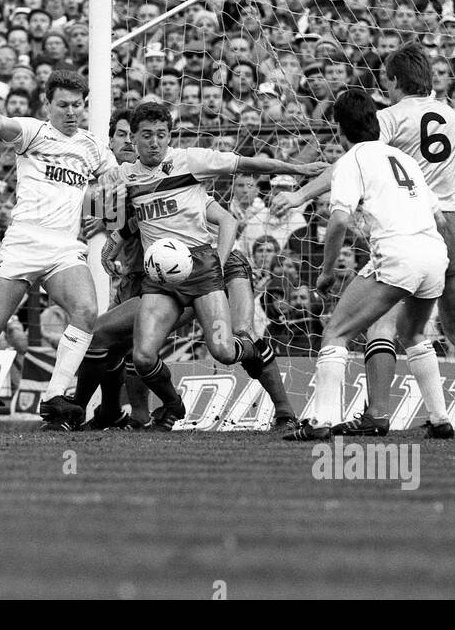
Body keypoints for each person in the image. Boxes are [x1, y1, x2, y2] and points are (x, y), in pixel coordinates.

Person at [276, 46, 455, 436]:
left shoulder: (389, 117)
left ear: (394, 80)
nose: (384, 87)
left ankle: (377, 414)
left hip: (408, 226)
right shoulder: (451, 116)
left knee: (380, 323)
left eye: (385, 79)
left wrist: (299, 195)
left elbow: (353, 160)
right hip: (453, 221)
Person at [104, 102, 323, 431]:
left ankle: (280, 403)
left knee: (225, 347)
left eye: (161, 135)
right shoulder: (126, 177)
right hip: (163, 278)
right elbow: (124, 219)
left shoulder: (190, 161)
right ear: (133, 139)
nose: (154, 142)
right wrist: (109, 241)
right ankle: (171, 406)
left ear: (169, 136)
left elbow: (246, 164)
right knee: (142, 354)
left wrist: (297, 170)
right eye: (146, 135)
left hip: (211, 266)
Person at [0, 67, 116, 433]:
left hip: (64, 247)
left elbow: (116, 184)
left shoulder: (93, 146)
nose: (70, 112)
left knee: (86, 311)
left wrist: (110, 222)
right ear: (46, 104)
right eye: (62, 105)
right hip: (23, 243)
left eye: (77, 105)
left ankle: (53, 397)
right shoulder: (34, 132)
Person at [284, 88, 452, 442]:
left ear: (340, 131)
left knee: (335, 332)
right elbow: (440, 219)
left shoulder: (351, 160)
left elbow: (339, 222)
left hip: (398, 253)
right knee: (413, 334)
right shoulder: (403, 158)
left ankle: (319, 422)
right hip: (434, 253)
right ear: (376, 122)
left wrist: (327, 272)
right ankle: (440, 418)